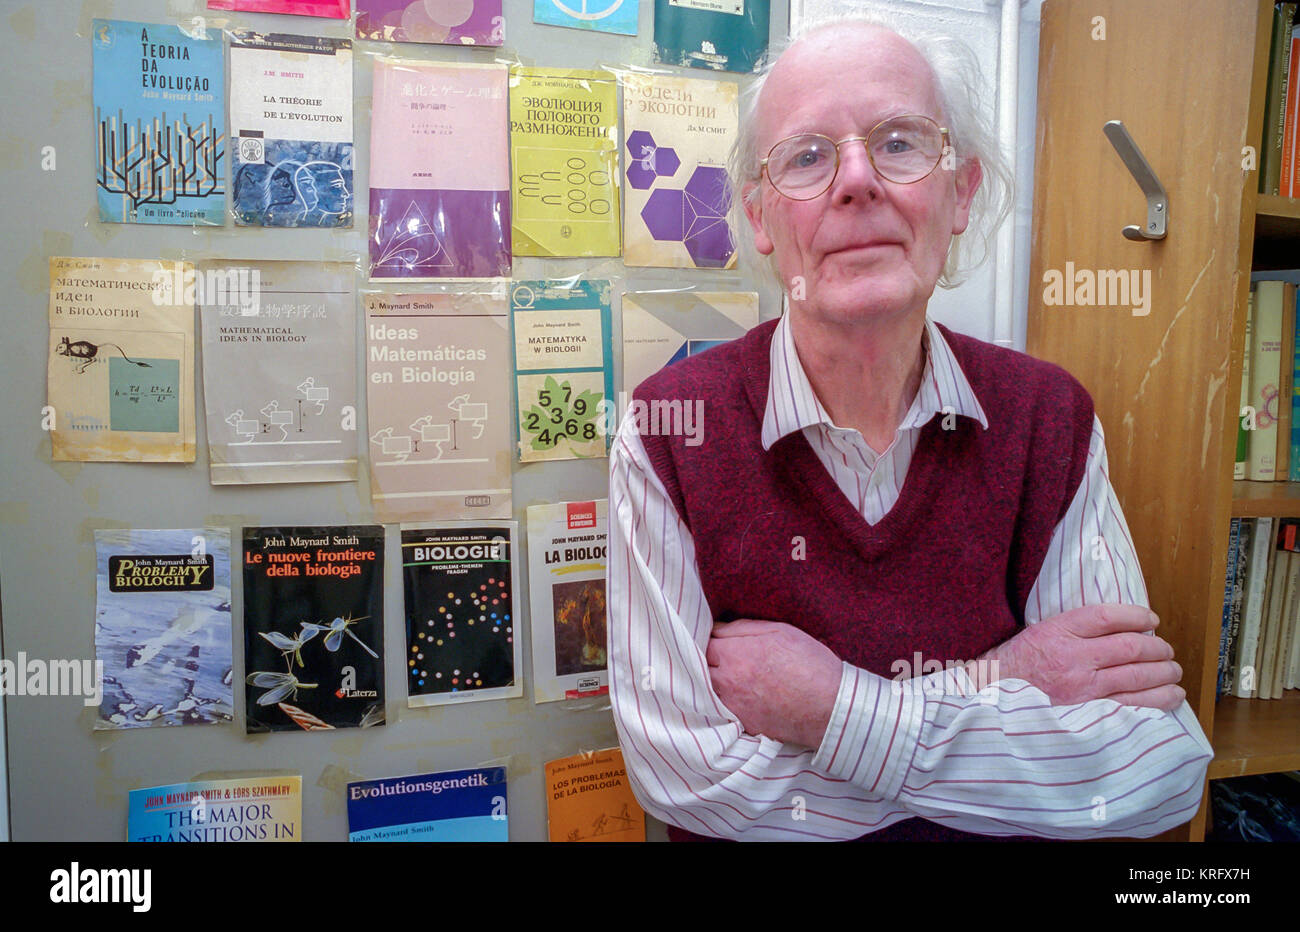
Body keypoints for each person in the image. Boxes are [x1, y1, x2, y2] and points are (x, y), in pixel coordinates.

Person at [606, 16, 1214, 841]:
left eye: (898, 142)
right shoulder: (668, 434)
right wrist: (1001, 681)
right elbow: (687, 779)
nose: (856, 181)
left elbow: (1152, 770)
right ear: (758, 217)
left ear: (959, 193)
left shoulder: (1048, 421)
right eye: (808, 156)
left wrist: (829, 710)